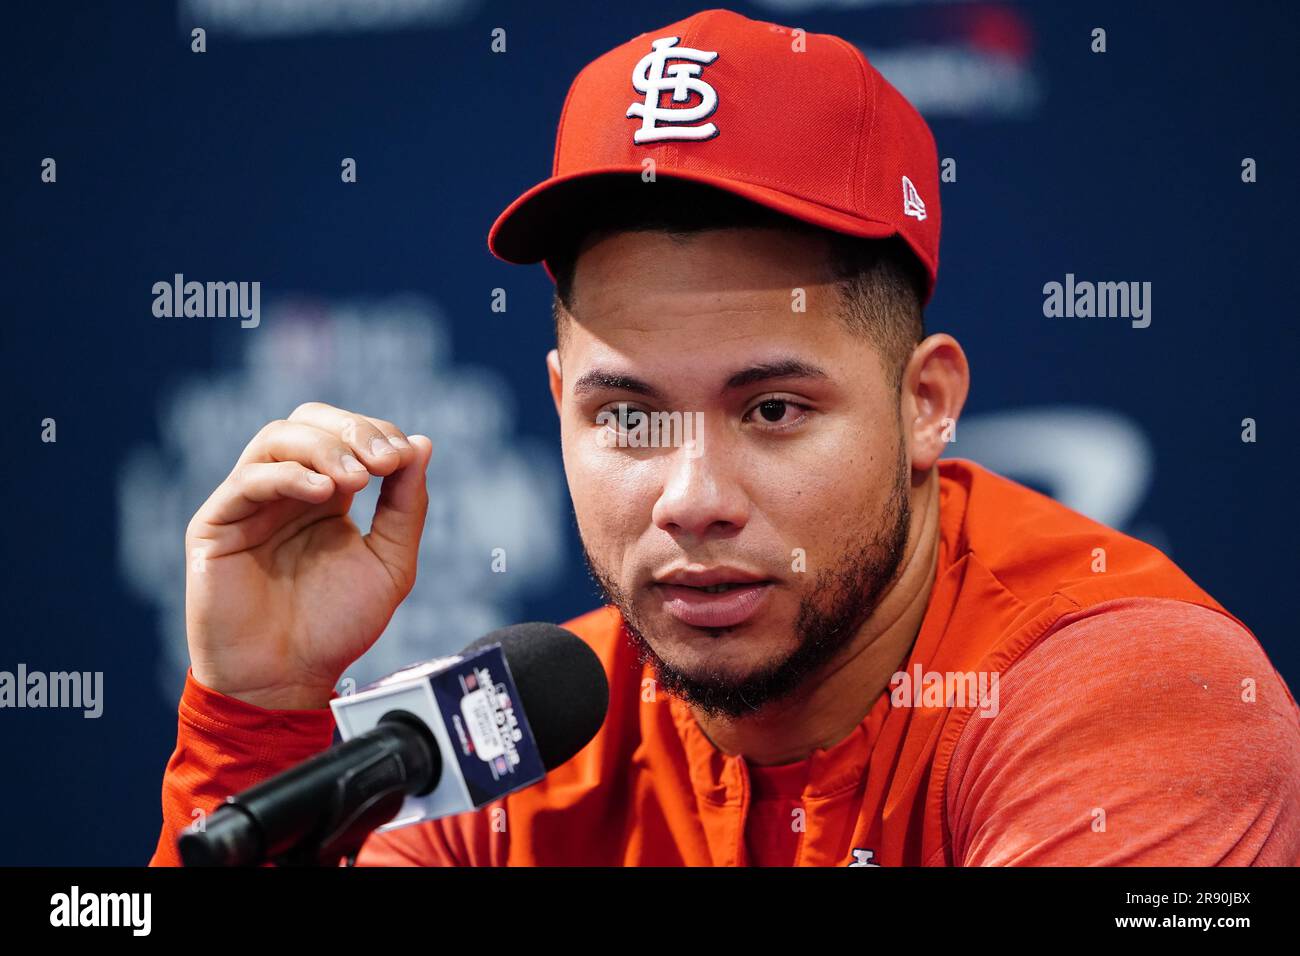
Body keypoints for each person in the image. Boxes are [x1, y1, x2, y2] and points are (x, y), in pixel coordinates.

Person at [149, 8, 1300, 866]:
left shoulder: (1134, 690)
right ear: (559, 407)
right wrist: (256, 712)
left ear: (926, 404)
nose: (689, 496)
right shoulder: (504, 739)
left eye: (772, 410)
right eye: (629, 414)